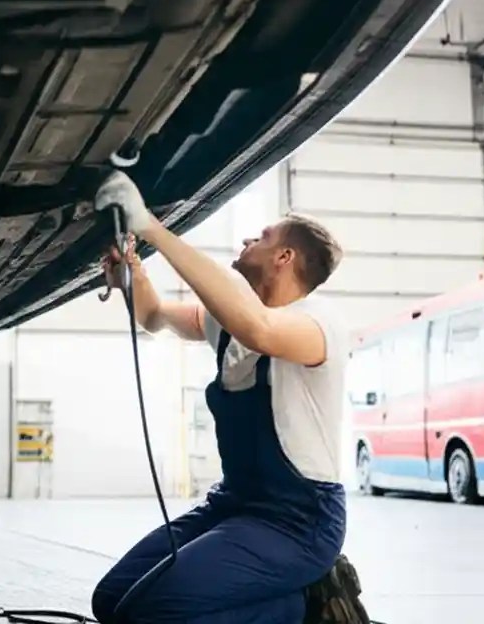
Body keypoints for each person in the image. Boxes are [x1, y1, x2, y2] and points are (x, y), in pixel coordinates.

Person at [89, 172, 370, 624]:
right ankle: (293, 599)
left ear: (284, 257)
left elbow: (261, 330)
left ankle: (304, 608)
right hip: (235, 504)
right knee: (110, 600)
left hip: (298, 522)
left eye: (262, 237)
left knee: (152, 612)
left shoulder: (319, 323)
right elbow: (154, 315)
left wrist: (150, 227)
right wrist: (131, 272)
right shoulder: (227, 324)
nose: (246, 240)